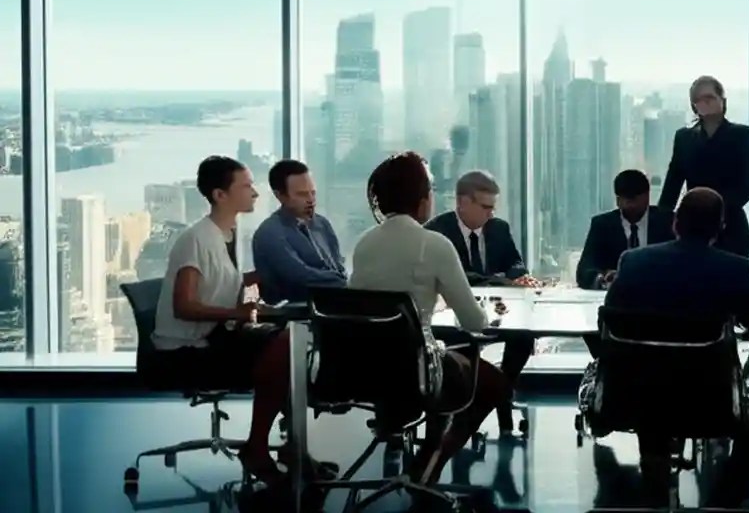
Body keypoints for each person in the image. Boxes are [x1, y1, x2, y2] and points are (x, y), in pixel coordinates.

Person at [605, 187, 749, 507]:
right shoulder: (732, 268)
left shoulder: (633, 262)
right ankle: (728, 494)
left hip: (634, 398)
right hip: (710, 404)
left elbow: (611, 325)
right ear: (720, 228)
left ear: (675, 223)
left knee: (654, 374)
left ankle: (655, 472)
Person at [348, 151, 509, 485]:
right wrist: (489, 318)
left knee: (448, 363)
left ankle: (427, 450)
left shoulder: (364, 244)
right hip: (416, 370)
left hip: (364, 367)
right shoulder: (433, 244)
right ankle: (430, 460)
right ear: (422, 200)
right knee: (493, 383)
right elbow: (473, 322)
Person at [151, 156, 290, 485]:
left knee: (291, 342)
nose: (255, 193)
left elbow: (245, 286)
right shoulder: (196, 238)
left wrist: (256, 305)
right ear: (219, 195)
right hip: (187, 350)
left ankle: (290, 447)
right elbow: (184, 306)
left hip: (217, 336)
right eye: (246, 186)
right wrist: (238, 313)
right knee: (283, 352)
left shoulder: (233, 234)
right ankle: (258, 448)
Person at [425, 170, 536, 434]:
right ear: (462, 203)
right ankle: (474, 402)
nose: (491, 214)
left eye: (493, 207)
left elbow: (516, 263)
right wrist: (497, 280)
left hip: (497, 311)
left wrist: (516, 276)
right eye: (485, 206)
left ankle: (501, 392)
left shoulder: (498, 228)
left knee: (524, 336)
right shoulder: (436, 233)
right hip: (453, 317)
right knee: (462, 344)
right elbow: (458, 276)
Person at [658, 75, 749, 258]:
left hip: (730, 224)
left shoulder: (742, 135)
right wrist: (661, 220)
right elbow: (673, 181)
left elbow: (748, 185)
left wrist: (716, 210)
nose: (704, 103)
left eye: (709, 98)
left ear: (722, 100)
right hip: (691, 227)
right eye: (698, 100)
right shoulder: (684, 137)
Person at [251, 159, 347, 304]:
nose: (311, 200)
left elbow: (338, 264)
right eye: (302, 194)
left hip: (332, 305)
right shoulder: (270, 233)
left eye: (313, 193)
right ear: (280, 196)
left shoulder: (322, 224)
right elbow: (299, 276)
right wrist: (343, 283)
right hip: (294, 314)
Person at [576, 169, 675, 290]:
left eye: (635, 199)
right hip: (616, 296)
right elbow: (585, 269)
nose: (631, 205)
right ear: (618, 200)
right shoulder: (602, 225)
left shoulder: (667, 222)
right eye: (627, 199)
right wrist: (602, 278)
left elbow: (679, 263)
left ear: (647, 197)